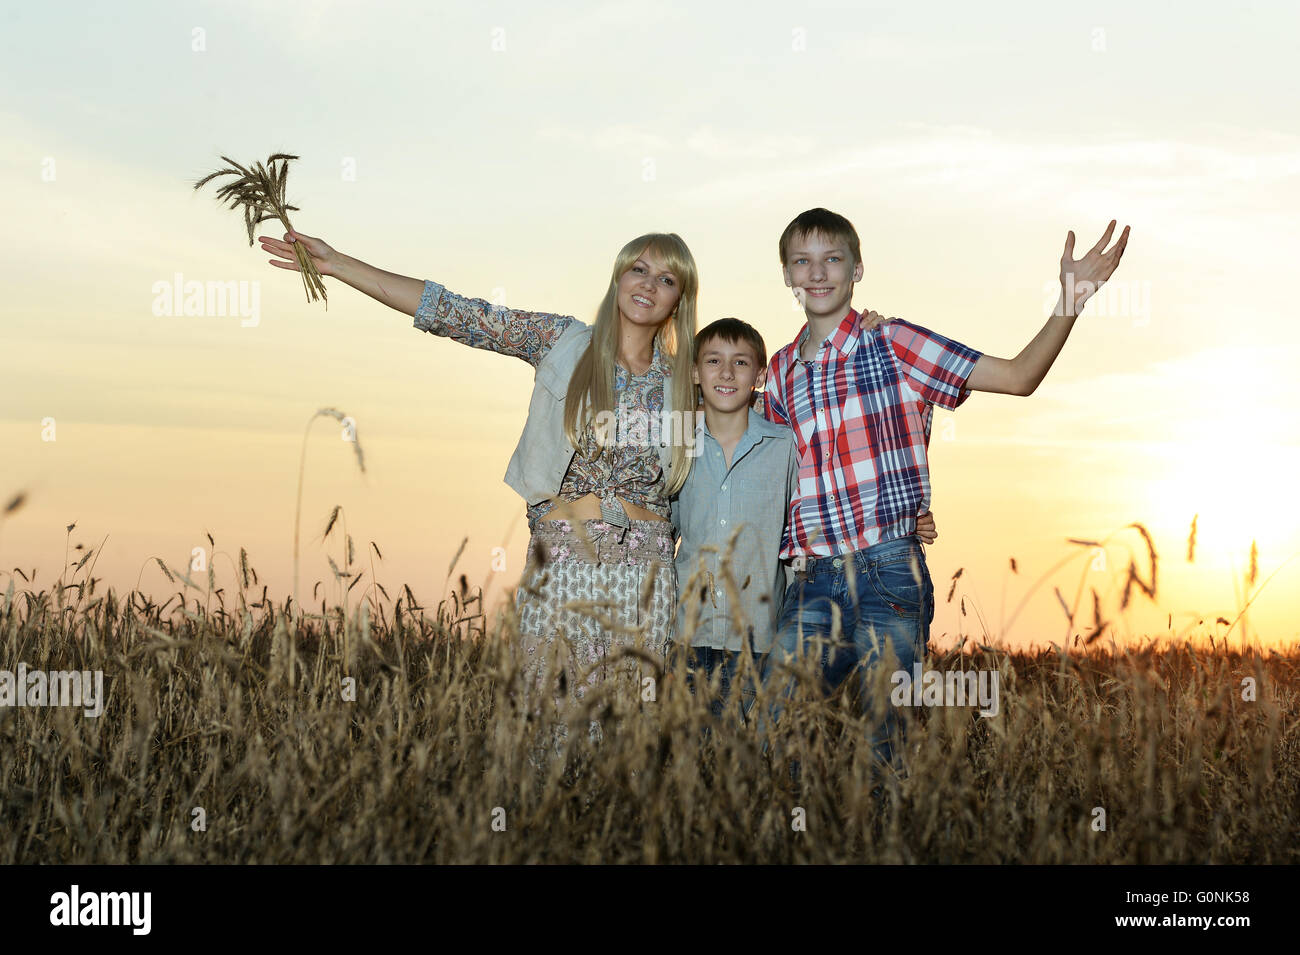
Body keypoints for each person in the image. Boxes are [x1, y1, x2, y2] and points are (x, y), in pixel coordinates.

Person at [257, 228, 700, 744]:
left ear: (678, 298)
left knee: (630, 736)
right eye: (638, 269)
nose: (648, 285)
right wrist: (340, 265)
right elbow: (454, 313)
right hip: (563, 559)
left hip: (645, 570)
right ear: (619, 277)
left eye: (666, 278)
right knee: (548, 726)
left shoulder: (686, 381)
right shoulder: (561, 341)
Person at [760, 207, 1130, 772]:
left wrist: (1069, 302)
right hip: (811, 578)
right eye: (802, 262)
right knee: (774, 725)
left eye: (832, 259)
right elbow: (764, 461)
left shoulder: (895, 342)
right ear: (786, 275)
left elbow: (1017, 376)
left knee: (886, 742)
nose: (817, 273)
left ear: (857, 268)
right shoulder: (781, 371)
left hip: (887, 568)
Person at [669, 317, 938, 724]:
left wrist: (903, 514)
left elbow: (823, 503)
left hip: (757, 637)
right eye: (713, 361)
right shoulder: (675, 444)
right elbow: (657, 528)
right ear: (694, 371)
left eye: (740, 363)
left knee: (758, 754)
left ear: (760, 376)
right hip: (686, 634)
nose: (726, 373)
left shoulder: (785, 445)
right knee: (688, 764)